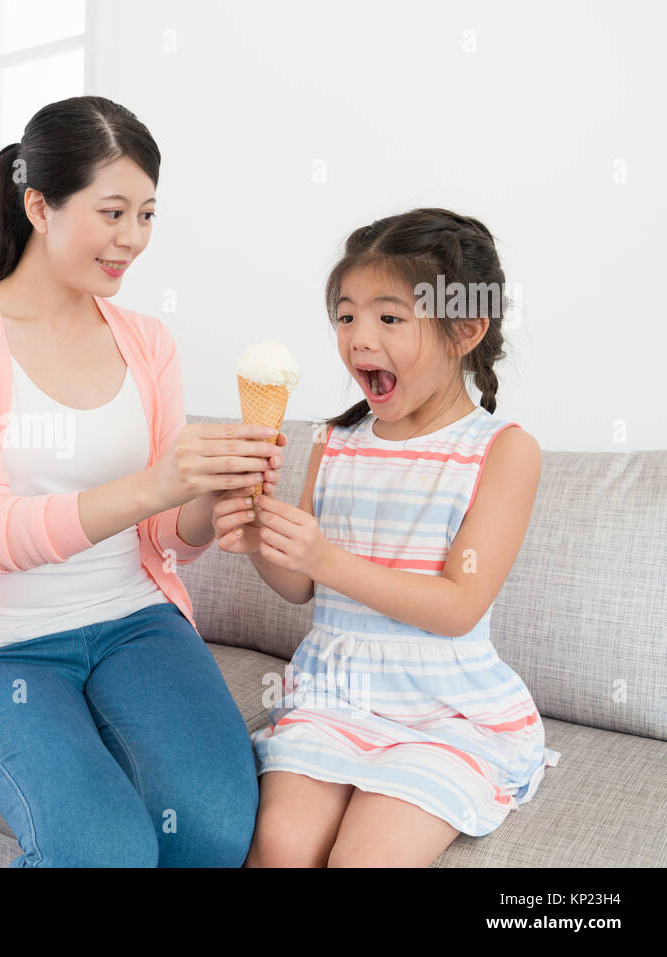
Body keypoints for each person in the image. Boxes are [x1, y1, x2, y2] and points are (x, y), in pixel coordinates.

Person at [0, 95, 284, 866]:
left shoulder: (147, 342)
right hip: (7, 648)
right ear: (39, 204)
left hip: (136, 622)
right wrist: (156, 483)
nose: (133, 240)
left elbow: (164, 539)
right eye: (113, 213)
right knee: (105, 851)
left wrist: (212, 497)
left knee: (213, 831)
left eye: (147, 215)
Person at [214, 208, 561, 866]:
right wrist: (257, 529)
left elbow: (459, 605)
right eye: (346, 316)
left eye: (389, 317)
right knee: (280, 843)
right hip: (335, 695)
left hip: (444, 709)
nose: (359, 339)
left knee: (363, 858)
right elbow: (300, 584)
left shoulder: (503, 452)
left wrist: (327, 557)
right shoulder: (335, 440)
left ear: (465, 329)